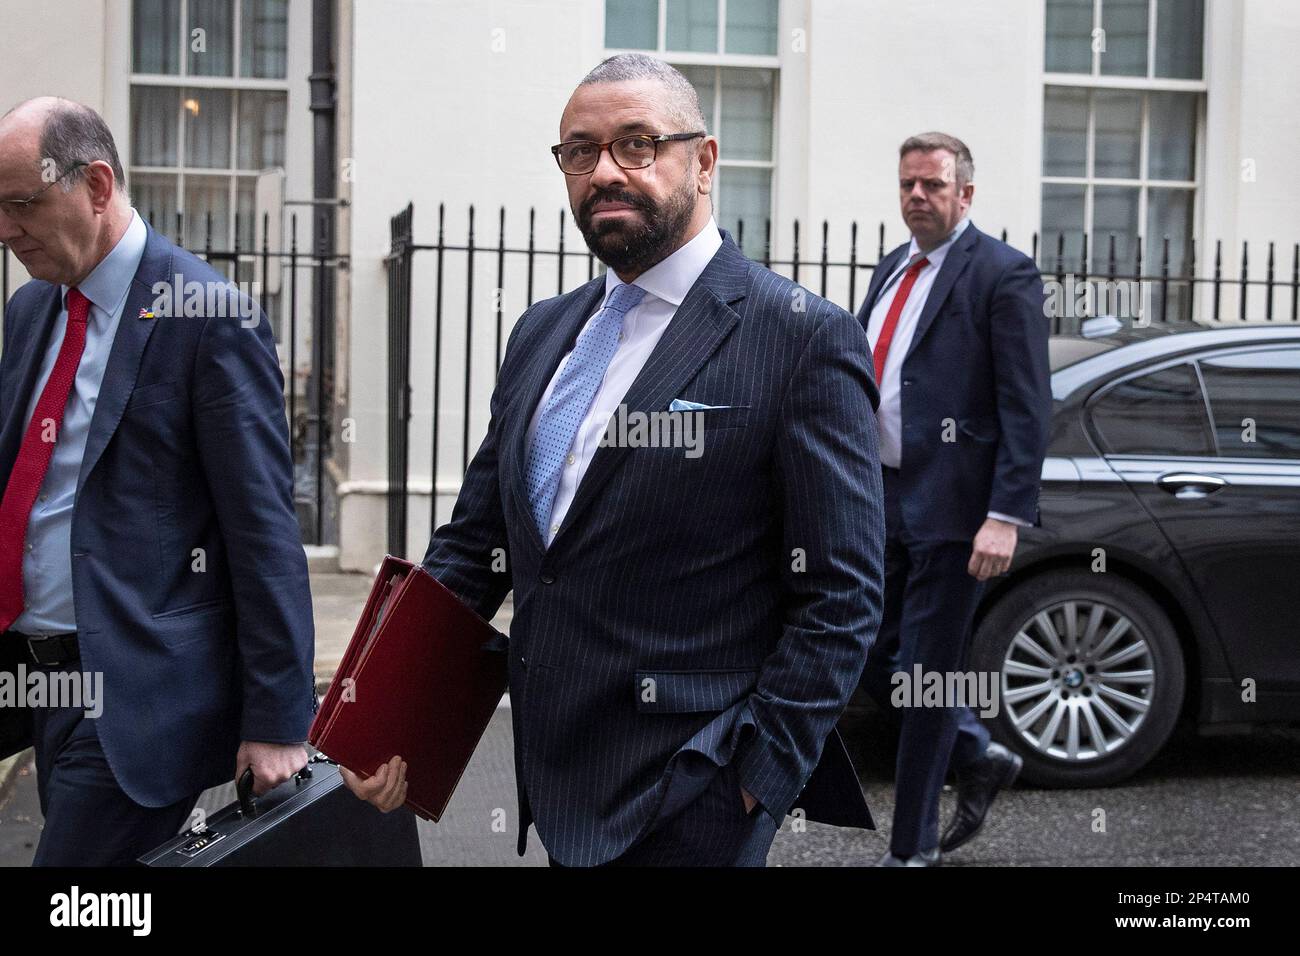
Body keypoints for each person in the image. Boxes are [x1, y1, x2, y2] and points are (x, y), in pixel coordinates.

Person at [342, 54, 886, 867]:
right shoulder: (543, 333)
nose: (604, 172)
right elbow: (475, 544)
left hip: (696, 791)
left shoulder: (799, 337)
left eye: (637, 144)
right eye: (579, 150)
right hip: (557, 783)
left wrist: (753, 781)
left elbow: (841, 593)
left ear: (702, 161)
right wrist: (387, 720)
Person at [0, 98, 315, 866]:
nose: (5, 231)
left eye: (21, 205)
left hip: (134, 695)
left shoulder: (209, 317)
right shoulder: (31, 308)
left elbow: (262, 529)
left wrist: (278, 720)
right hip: (30, 676)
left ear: (97, 184)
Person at [855, 132, 1051, 865]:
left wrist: (1004, 515)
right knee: (864, 652)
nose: (916, 197)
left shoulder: (1002, 274)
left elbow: (1027, 406)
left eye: (932, 186)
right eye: (907, 183)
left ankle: (912, 851)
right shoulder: (888, 268)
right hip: (879, 501)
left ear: (965, 194)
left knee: (930, 679)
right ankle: (978, 749)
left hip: (953, 511)